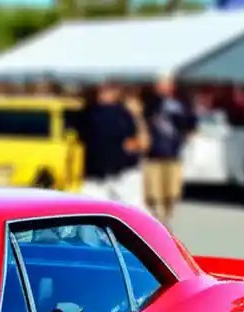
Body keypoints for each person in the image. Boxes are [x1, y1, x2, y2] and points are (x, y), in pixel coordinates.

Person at [78, 81, 147, 209]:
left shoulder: (124, 113)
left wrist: (137, 116)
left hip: (122, 177)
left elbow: (141, 143)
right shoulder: (87, 112)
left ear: (117, 92)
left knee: (130, 214)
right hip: (95, 178)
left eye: (108, 89)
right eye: (101, 89)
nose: (102, 92)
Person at [143, 75, 198, 225]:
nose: (161, 86)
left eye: (165, 83)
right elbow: (142, 120)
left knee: (172, 191)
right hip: (153, 154)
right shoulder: (149, 102)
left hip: (174, 153)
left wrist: (187, 135)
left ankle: (166, 217)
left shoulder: (182, 103)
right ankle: (158, 218)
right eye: (159, 83)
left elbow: (191, 123)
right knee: (154, 192)